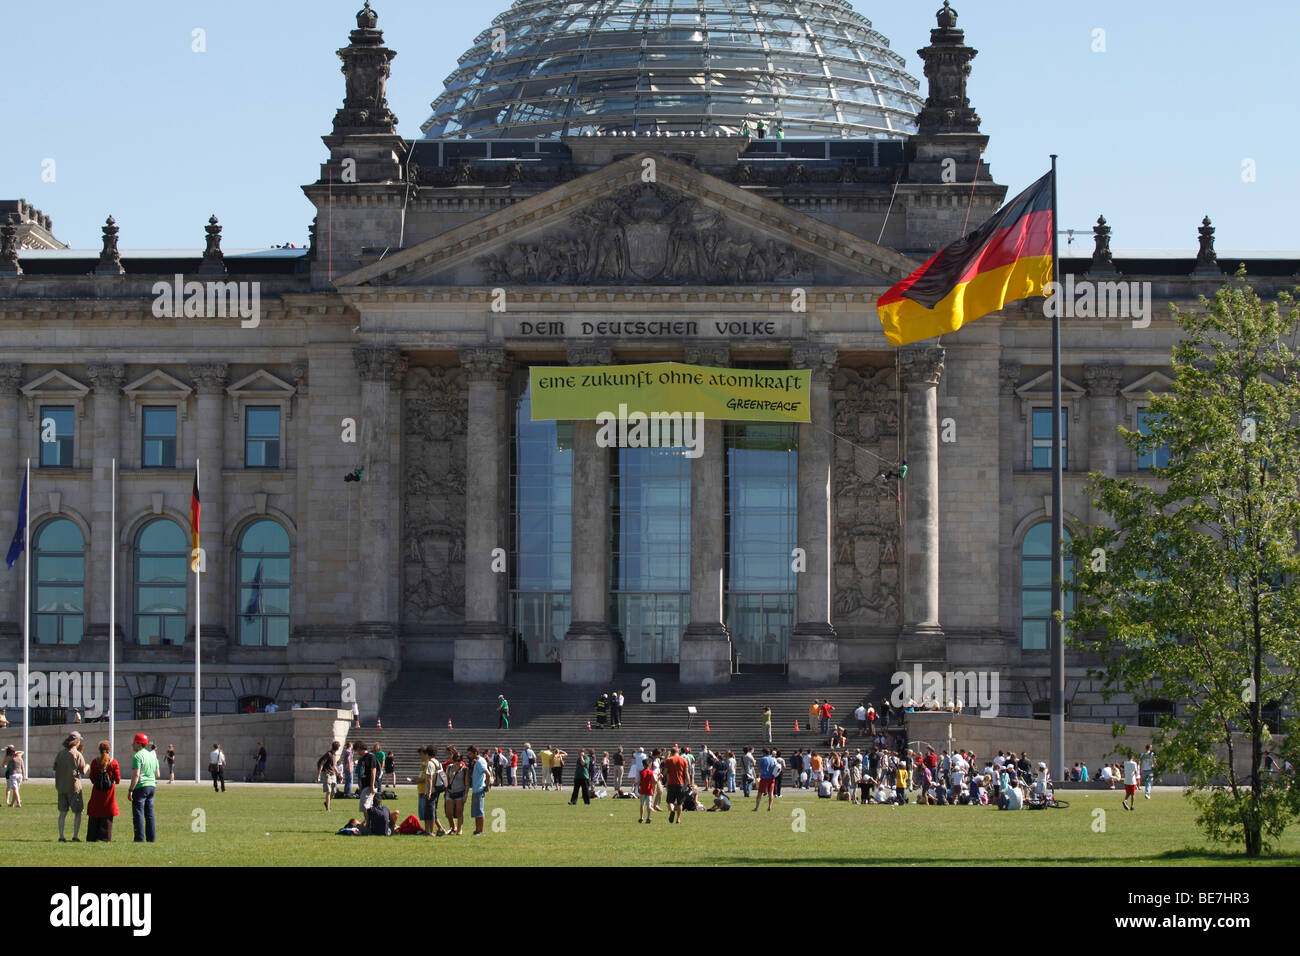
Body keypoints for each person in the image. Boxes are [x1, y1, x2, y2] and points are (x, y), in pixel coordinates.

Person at [54, 731, 89, 842]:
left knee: (63, 813)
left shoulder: (60, 753)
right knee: (78, 812)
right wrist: (88, 766)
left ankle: (61, 836)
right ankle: (75, 836)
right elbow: (83, 770)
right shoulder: (77, 754)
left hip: (61, 786)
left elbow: (55, 767)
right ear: (77, 742)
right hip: (74, 787)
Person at [86, 740, 121, 843]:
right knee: (107, 816)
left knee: (95, 815)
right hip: (109, 794)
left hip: (97, 793)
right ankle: (105, 837)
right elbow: (118, 780)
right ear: (109, 750)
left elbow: (92, 778)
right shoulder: (113, 763)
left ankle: (93, 837)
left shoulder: (94, 762)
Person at [128, 732, 159, 842]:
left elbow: (136, 775)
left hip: (141, 787)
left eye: (134, 743)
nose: (132, 745)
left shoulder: (137, 756)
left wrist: (131, 790)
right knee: (149, 814)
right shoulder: (151, 756)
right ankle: (151, 839)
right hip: (152, 786)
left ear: (138, 744)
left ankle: (139, 838)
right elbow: (157, 774)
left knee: (138, 814)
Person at [419, 745, 448, 836]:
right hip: (438, 789)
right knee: (432, 810)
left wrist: (429, 791)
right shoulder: (438, 762)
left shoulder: (430, 764)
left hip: (432, 790)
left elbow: (430, 778)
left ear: (427, 753)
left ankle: (430, 831)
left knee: (430, 811)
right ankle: (428, 830)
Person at [661, 745, 690, 824]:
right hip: (680, 783)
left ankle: (672, 811)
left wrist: (663, 776)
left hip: (671, 783)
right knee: (680, 802)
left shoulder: (669, 760)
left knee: (670, 801)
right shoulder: (683, 760)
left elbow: (665, 772)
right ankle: (678, 819)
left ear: (671, 752)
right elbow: (686, 773)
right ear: (678, 752)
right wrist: (689, 783)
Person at [444, 746, 467, 835]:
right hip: (450, 792)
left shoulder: (464, 768)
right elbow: (445, 778)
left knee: (459, 812)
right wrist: (446, 787)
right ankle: (453, 827)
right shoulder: (448, 766)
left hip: (460, 792)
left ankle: (459, 829)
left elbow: (467, 783)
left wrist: (466, 794)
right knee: (448, 813)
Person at [469, 744, 491, 835]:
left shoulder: (480, 761)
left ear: (475, 753)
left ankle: (481, 830)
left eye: (470, 754)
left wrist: (487, 786)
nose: (469, 755)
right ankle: (477, 829)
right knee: (476, 811)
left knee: (480, 811)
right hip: (475, 789)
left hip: (479, 788)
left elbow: (488, 774)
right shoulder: (477, 761)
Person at [316, 740, 341, 811]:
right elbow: (321, 764)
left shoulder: (334, 755)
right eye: (339, 746)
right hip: (326, 774)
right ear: (337, 747)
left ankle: (326, 802)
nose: (339, 748)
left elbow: (333, 766)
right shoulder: (328, 754)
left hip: (333, 774)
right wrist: (319, 775)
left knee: (334, 791)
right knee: (329, 791)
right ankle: (328, 808)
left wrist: (338, 773)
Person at [637, 757, 656, 823]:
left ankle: (641, 817)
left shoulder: (641, 772)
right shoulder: (651, 772)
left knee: (642, 804)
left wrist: (638, 786)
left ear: (643, 765)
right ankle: (648, 817)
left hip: (642, 789)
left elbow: (639, 781)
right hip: (649, 790)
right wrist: (652, 786)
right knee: (649, 804)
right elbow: (654, 781)